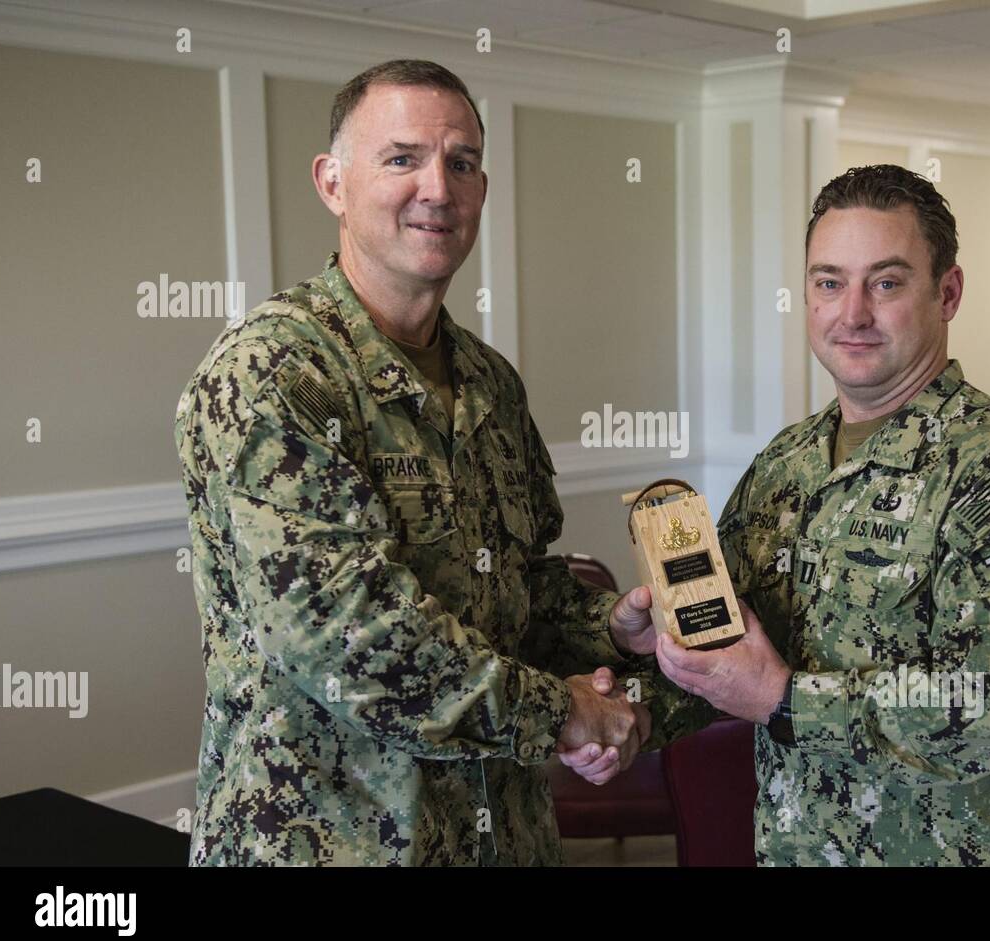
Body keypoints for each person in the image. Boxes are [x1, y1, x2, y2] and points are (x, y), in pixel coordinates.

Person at [173, 59, 655, 866]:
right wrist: (561, 715)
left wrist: (605, 625)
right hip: (330, 842)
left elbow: (518, 589)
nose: (438, 187)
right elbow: (352, 637)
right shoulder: (273, 374)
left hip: (500, 835)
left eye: (461, 163)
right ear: (333, 182)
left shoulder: (490, 382)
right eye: (402, 158)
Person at [576, 165, 990, 866]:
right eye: (829, 282)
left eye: (885, 282)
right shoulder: (785, 464)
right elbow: (728, 657)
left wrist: (786, 699)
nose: (851, 312)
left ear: (948, 293)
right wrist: (628, 714)